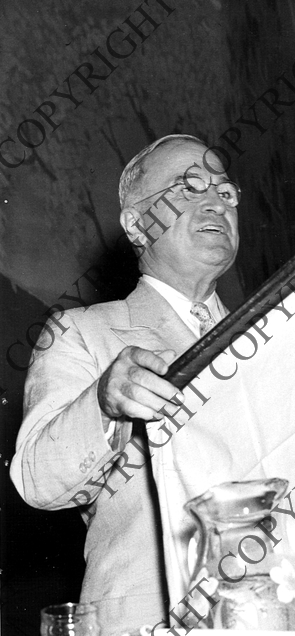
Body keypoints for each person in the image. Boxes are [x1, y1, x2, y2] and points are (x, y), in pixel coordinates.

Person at [10, 134, 240, 634]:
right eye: (189, 187)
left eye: (225, 192)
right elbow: (36, 480)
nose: (216, 202)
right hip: (150, 620)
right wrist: (103, 403)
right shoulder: (82, 332)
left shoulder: (275, 333)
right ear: (136, 224)